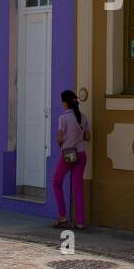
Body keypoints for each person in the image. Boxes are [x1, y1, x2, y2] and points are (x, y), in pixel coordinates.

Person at [51, 89, 90, 230]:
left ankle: (62, 215)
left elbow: (60, 139)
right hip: (82, 154)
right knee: (78, 187)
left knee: (56, 182)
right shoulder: (83, 117)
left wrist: (60, 141)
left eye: (62, 101)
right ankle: (79, 221)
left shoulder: (63, 118)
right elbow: (87, 137)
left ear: (65, 103)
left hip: (68, 155)